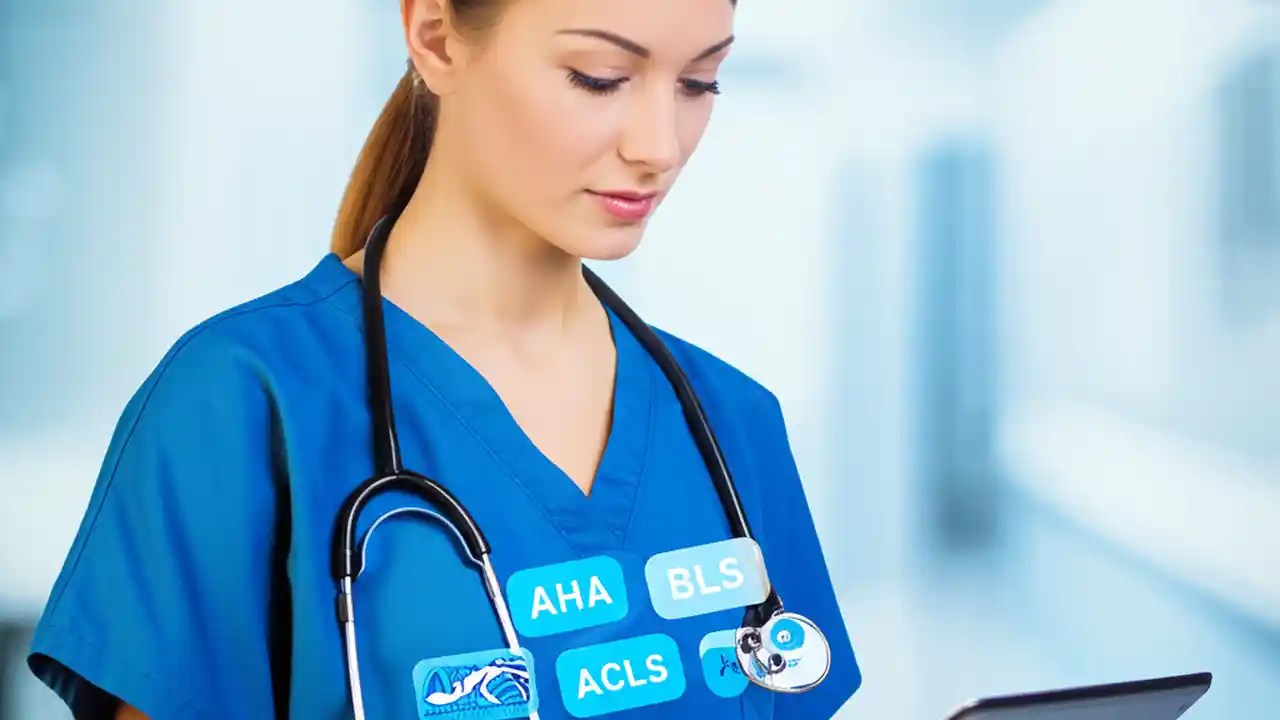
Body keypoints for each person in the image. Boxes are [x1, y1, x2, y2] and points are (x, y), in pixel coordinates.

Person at [26, 0, 861, 717]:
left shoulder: (730, 422)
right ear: (434, 36)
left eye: (699, 83)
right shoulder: (242, 401)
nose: (660, 146)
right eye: (600, 77)